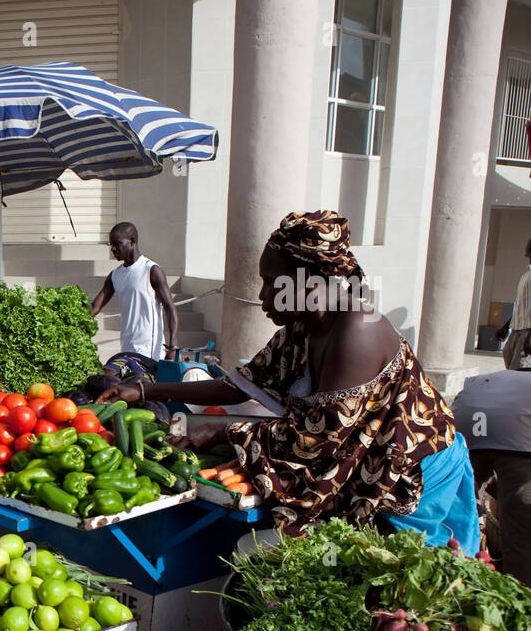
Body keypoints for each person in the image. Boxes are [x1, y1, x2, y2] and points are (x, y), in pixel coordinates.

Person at [97, 209, 480, 551]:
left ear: (311, 281)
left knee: (401, 596)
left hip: (408, 474)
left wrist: (221, 432)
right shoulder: (304, 327)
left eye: (271, 283)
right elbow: (237, 386)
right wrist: (145, 388)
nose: (263, 297)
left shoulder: (354, 331)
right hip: (362, 462)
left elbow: (317, 439)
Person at [452, 368, 531, 587]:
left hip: (465, 418)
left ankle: (457, 575)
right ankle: (519, 594)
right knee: (523, 533)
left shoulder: (496, 378)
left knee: (456, 506)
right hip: (518, 435)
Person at [90, 222, 179, 361]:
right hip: (126, 348)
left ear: (132, 241)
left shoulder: (151, 270)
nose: (112, 249)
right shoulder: (115, 275)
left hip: (149, 351)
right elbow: (94, 307)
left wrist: (173, 346)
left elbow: (170, 307)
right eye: (110, 244)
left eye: (117, 243)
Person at [493, 237, 531, 370]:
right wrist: (506, 326)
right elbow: (523, 305)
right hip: (517, 329)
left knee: (520, 370)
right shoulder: (527, 273)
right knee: (510, 364)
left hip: (528, 332)